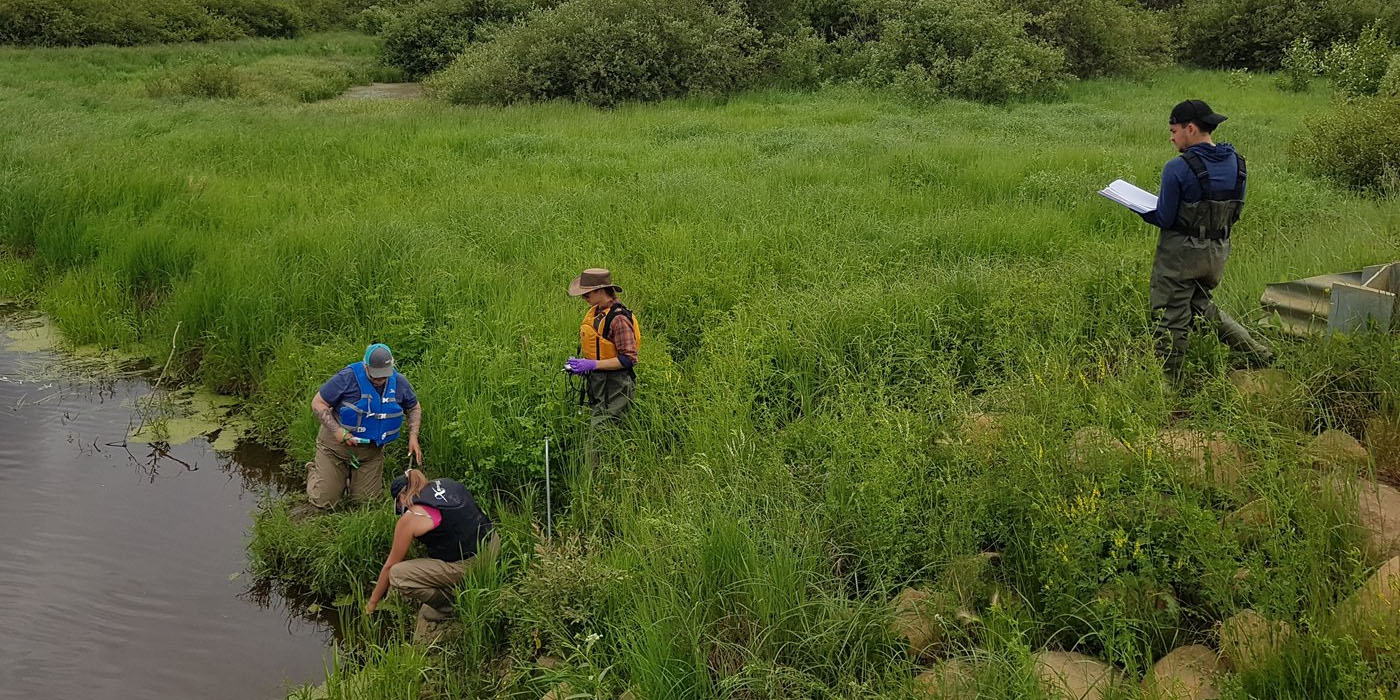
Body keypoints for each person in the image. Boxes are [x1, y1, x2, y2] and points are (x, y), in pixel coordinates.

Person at [1136, 99, 1273, 379]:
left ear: (1190, 128)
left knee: (1169, 317)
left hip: (1181, 257)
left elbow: (1164, 217)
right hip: (1217, 252)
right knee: (1200, 306)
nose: (1172, 138)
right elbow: (1235, 213)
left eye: (1174, 131)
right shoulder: (1238, 163)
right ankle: (1258, 353)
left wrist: (1137, 208)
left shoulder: (1177, 168)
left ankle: (1168, 384)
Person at [364, 469, 498, 621]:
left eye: (398, 506)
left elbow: (390, 566)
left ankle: (450, 606)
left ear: (401, 497)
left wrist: (372, 603)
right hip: (493, 542)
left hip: (473, 563)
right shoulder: (447, 484)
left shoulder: (412, 517)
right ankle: (462, 582)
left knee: (397, 575)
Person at [307, 343, 422, 510]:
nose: (379, 380)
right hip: (335, 449)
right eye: (375, 376)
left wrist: (413, 436)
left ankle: (347, 479)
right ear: (365, 366)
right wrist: (338, 431)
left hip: (370, 453)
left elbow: (414, 407)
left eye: (383, 376)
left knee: (365, 504)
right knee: (325, 502)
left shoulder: (399, 383)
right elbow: (318, 403)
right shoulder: (346, 378)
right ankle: (313, 471)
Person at [564, 268, 640, 434]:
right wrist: (582, 365)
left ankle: (597, 460)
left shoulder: (619, 319)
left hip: (616, 385)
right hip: (598, 382)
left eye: (587, 293)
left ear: (600, 290)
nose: (584, 298)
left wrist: (592, 364)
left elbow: (629, 359)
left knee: (600, 433)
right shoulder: (596, 312)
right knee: (605, 429)